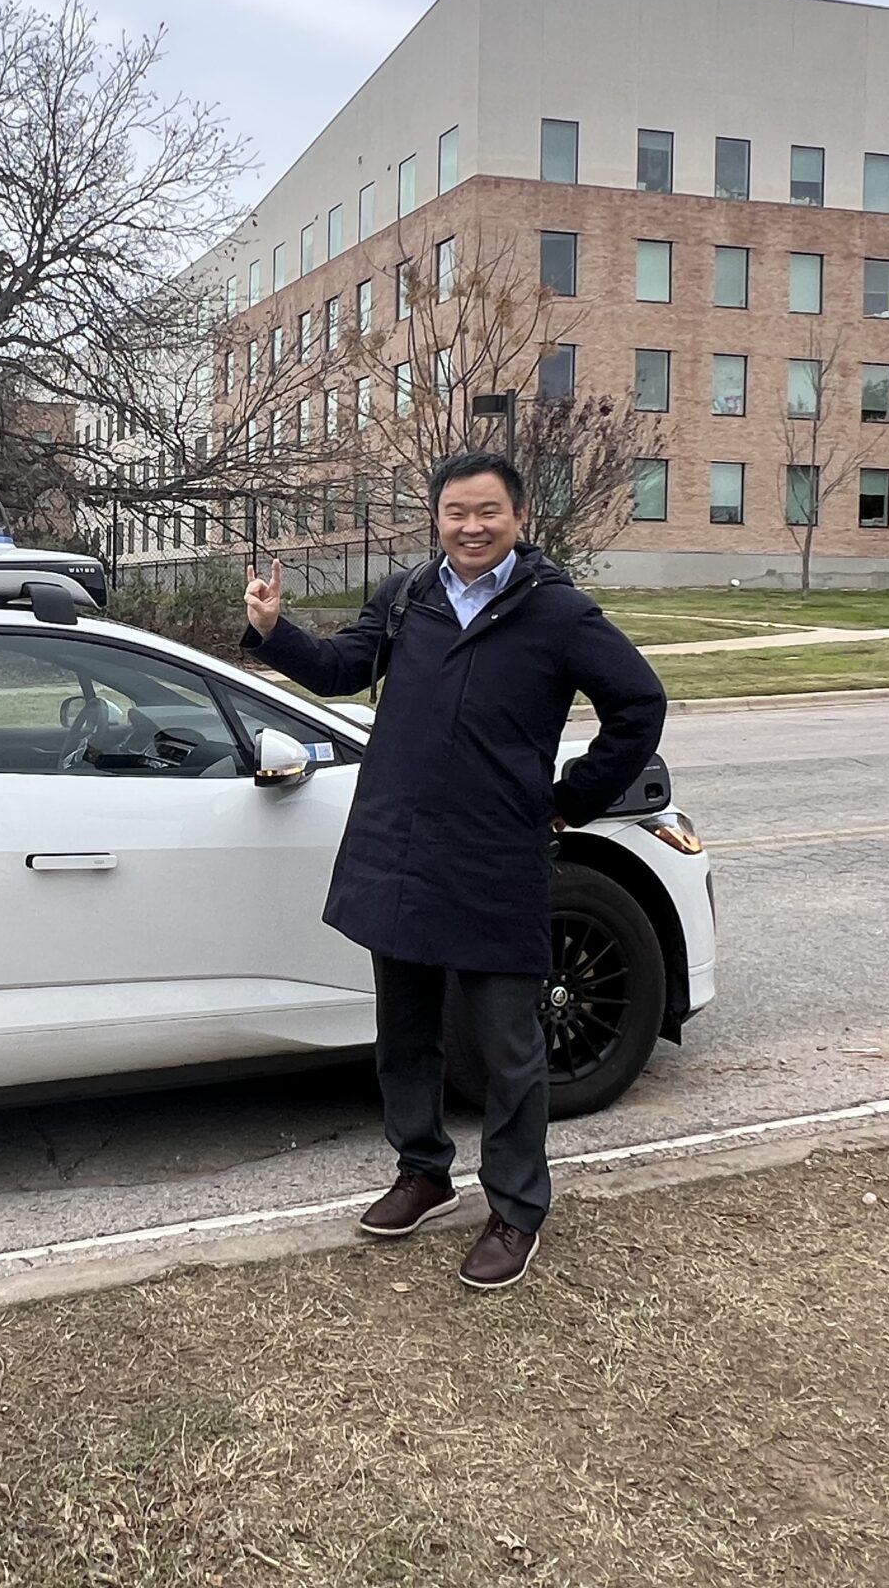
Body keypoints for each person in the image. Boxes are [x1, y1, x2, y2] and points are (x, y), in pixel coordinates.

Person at [242, 451, 666, 1289]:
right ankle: (423, 1171)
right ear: (435, 519)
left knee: (509, 1048)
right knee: (404, 1033)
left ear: (519, 518)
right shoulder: (410, 596)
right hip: (397, 846)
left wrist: (569, 799)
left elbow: (638, 705)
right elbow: (340, 669)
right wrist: (272, 631)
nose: (471, 528)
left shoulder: (558, 613)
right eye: (455, 514)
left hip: (494, 855)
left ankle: (515, 1209)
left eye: (488, 513)